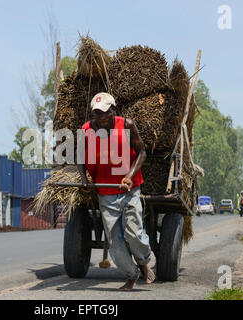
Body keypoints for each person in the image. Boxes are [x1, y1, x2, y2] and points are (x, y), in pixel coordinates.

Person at [77, 92, 154, 291]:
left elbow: (142, 153)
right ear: (92, 114)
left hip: (129, 189)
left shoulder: (127, 125)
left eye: (105, 113)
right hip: (106, 192)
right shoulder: (86, 130)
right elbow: (80, 158)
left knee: (134, 233)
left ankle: (144, 261)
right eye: (97, 114)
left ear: (113, 111)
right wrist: (84, 179)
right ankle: (131, 275)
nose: (102, 118)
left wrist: (128, 175)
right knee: (115, 241)